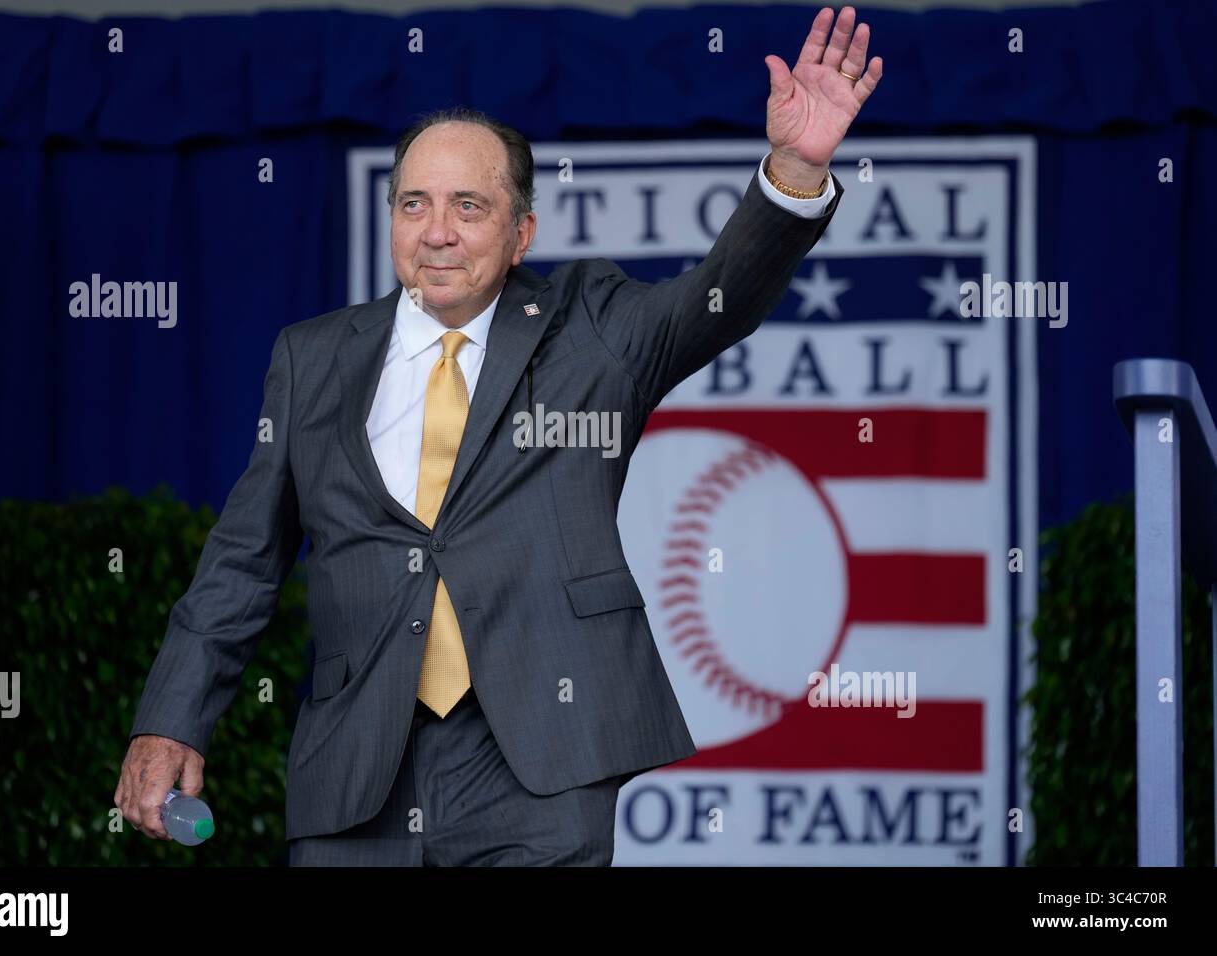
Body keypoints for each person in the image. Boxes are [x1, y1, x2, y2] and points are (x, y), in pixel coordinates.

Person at [114, 4, 882, 866]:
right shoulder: (312, 358)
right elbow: (243, 559)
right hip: (356, 766)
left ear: (521, 234)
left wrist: (792, 168)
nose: (436, 230)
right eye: (415, 204)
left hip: (539, 764)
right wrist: (170, 720)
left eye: (468, 206)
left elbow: (719, 297)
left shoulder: (588, 329)